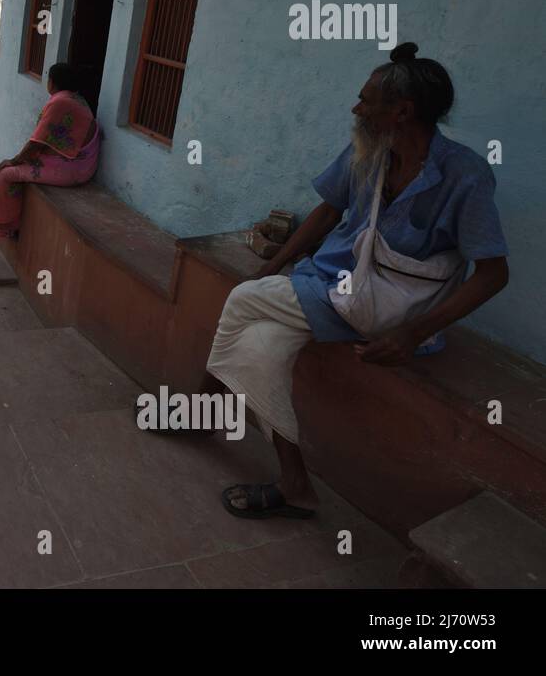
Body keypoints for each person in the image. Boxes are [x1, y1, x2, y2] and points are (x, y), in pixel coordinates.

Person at [205, 42, 509, 519]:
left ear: (402, 112)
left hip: (394, 316)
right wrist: (275, 263)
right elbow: (330, 210)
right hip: (330, 287)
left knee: (246, 298)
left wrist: (414, 332)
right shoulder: (370, 149)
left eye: (367, 100)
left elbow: (493, 274)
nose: (356, 107)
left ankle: (200, 407)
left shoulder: (464, 176)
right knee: (260, 351)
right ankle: (295, 483)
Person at [0, 62, 100, 239]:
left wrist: (14, 160)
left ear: (52, 82)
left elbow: (36, 143)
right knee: (18, 166)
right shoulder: (74, 98)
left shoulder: (60, 103)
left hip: (74, 169)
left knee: (4, 174)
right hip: (80, 164)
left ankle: (8, 226)